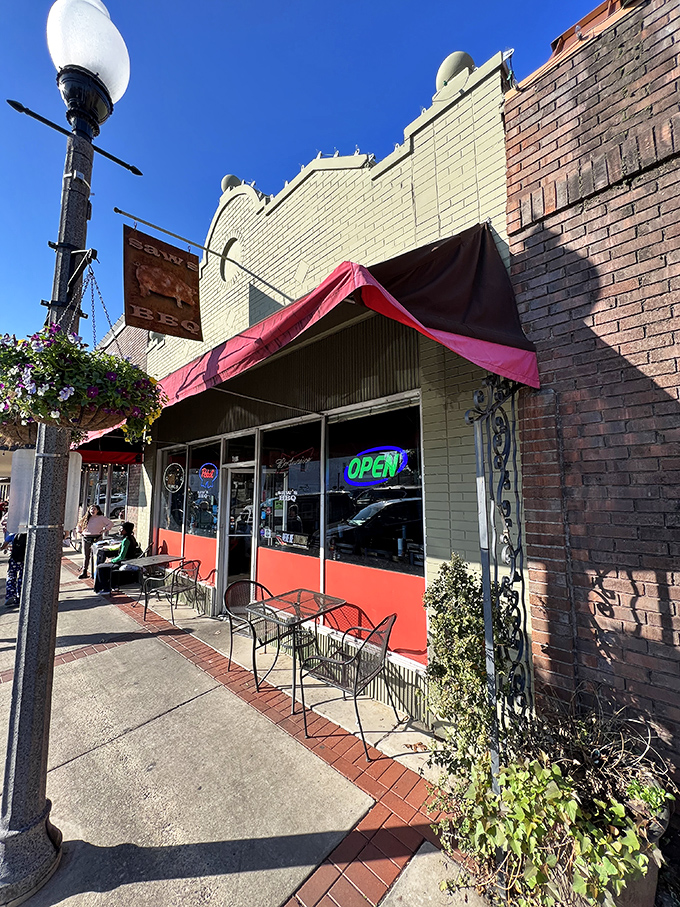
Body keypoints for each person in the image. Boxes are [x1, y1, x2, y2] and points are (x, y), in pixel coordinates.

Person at [93, 522, 141, 595]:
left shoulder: (126, 540)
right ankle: (109, 586)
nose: (119, 530)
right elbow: (119, 548)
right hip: (126, 560)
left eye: (121, 529)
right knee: (104, 565)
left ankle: (106, 588)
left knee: (100, 567)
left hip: (125, 562)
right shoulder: (130, 538)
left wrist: (111, 560)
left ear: (126, 530)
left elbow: (122, 556)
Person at [78, 505, 114, 579]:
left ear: (97, 510)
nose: (92, 511)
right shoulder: (86, 518)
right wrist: (79, 531)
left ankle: (95, 572)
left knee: (96, 556)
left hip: (97, 537)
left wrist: (105, 529)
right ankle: (84, 571)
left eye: (94, 509)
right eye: (91, 509)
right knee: (86, 555)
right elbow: (79, 525)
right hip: (86, 538)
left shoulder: (101, 518)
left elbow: (110, 524)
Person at [1, 531, 26, 608]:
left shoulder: (12, 534)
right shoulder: (30, 534)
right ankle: (21, 595)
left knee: (11, 576)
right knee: (22, 577)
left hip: (14, 559)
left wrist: (5, 547)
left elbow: (3, 546)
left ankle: (10, 595)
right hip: (25, 559)